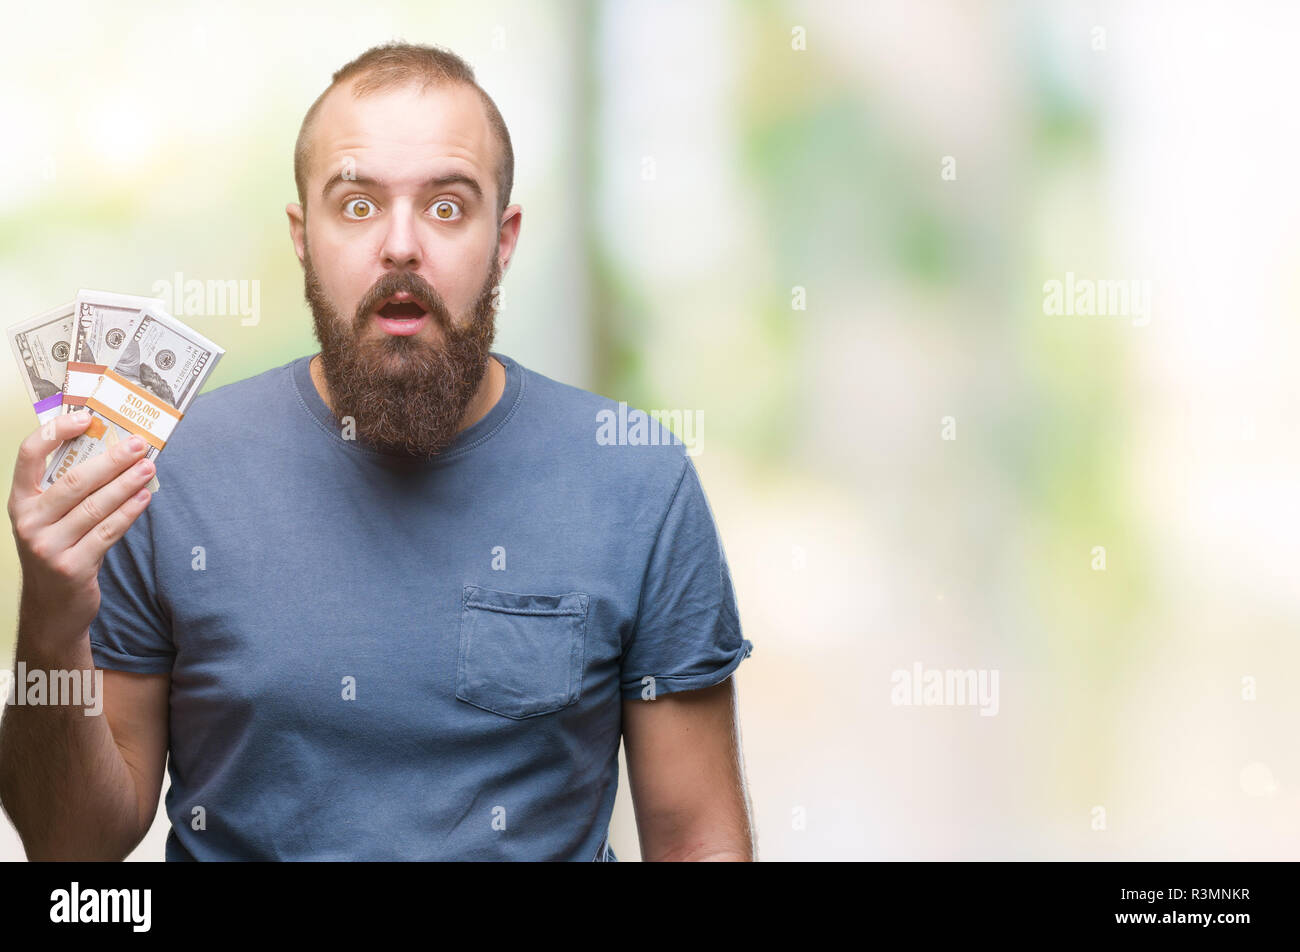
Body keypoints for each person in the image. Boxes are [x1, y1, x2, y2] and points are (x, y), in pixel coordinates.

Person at [0, 42, 755, 861]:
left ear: (503, 241)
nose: (400, 246)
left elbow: (697, 838)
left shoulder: (637, 481)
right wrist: (49, 617)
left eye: (446, 206)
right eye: (357, 205)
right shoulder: (163, 475)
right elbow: (69, 848)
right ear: (303, 237)